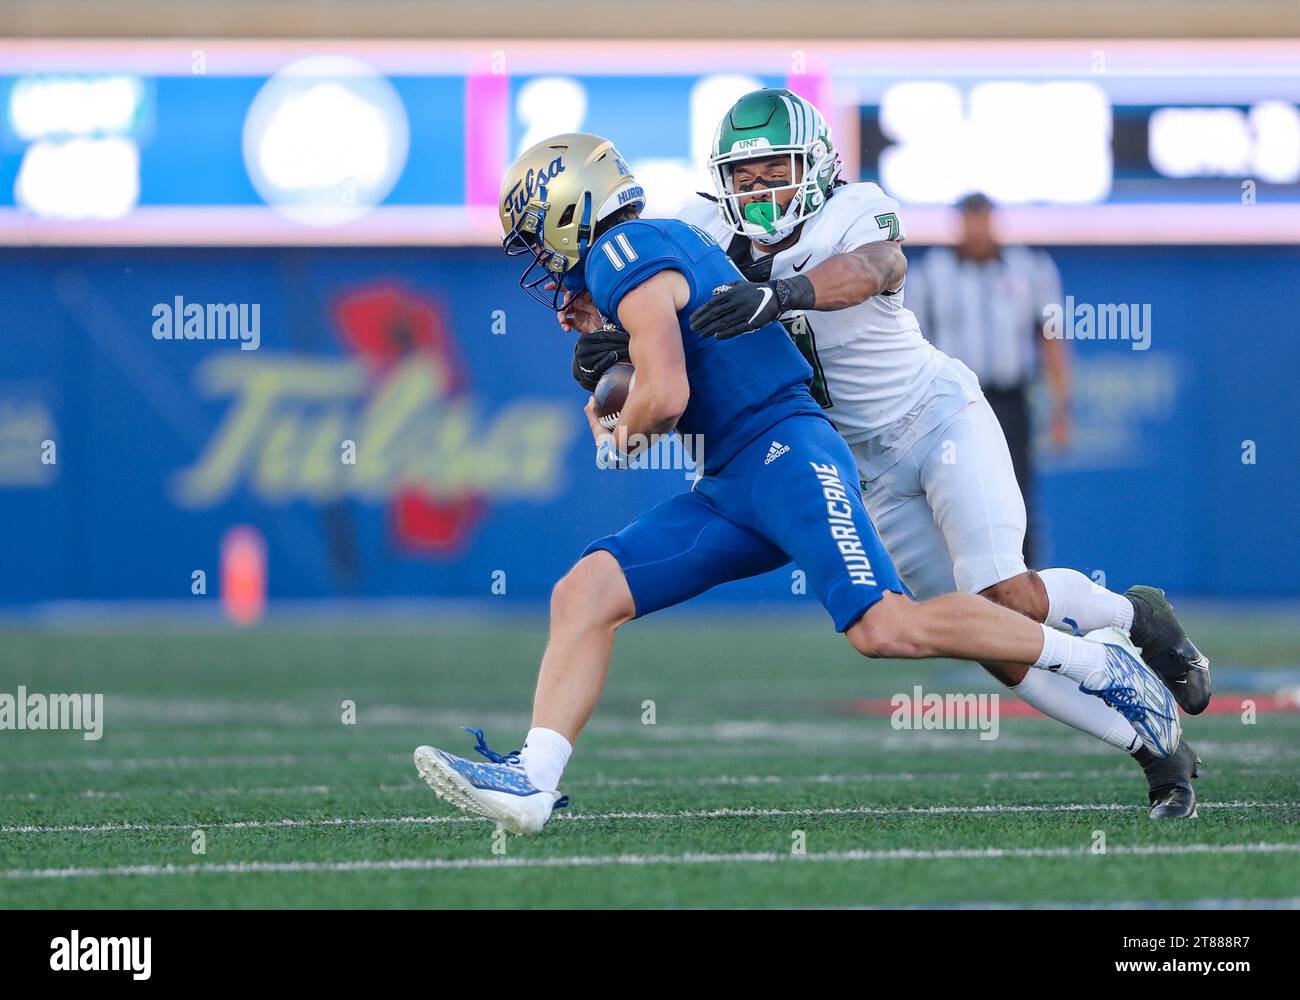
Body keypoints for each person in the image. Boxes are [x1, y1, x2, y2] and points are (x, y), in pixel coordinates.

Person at [413, 131, 1180, 836]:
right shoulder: (669, 239)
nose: (540, 264)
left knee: (886, 627)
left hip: (791, 451)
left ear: (569, 210)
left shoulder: (624, 251)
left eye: (536, 239)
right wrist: (614, 367)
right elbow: (658, 353)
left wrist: (622, 430)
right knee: (585, 592)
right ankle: (534, 781)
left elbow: (668, 394)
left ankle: (1095, 662)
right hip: (737, 475)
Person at [905, 191, 1068, 566]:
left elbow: (1052, 337)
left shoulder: (1030, 268)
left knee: (1016, 495)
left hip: (1009, 399)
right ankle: (958, 591)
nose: (977, 228)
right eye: (970, 218)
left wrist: (1061, 409)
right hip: (952, 405)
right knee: (953, 493)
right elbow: (913, 346)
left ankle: (1024, 592)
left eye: (983, 218)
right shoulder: (931, 273)